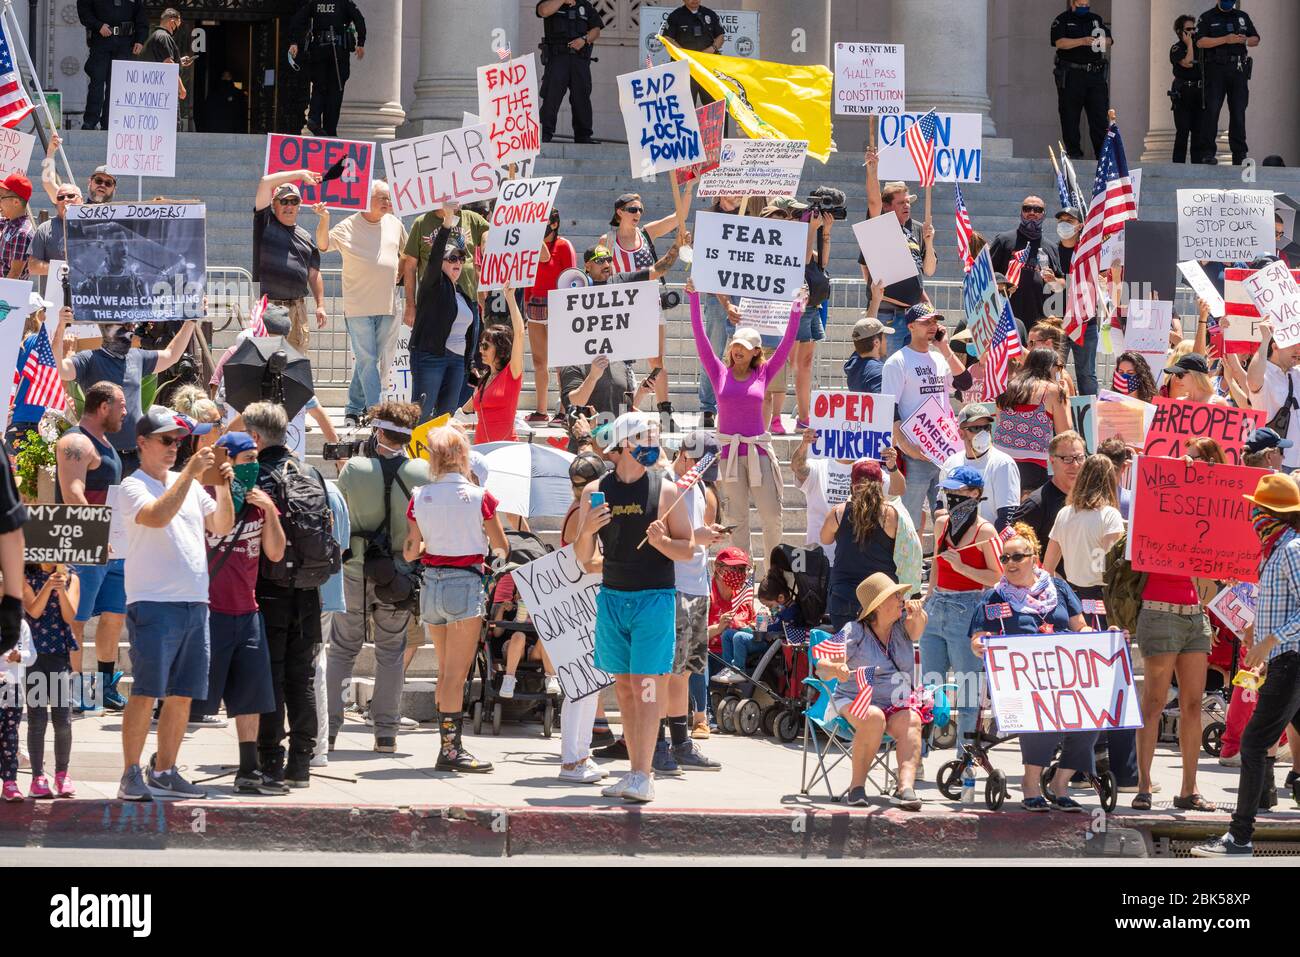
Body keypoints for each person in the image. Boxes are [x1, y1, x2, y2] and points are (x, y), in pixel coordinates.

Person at [114, 407, 234, 801]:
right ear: (143, 443)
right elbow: (157, 517)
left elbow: (221, 527)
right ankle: (130, 772)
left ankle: (164, 769)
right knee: (146, 691)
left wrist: (225, 486)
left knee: (183, 693)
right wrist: (190, 474)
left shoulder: (190, 486)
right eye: (166, 440)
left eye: (178, 441)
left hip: (194, 601)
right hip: (154, 601)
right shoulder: (134, 485)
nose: (174, 447)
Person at [574, 413, 695, 803]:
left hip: (653, 598)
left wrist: (661, 542)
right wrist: (588, 527)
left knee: (646, 687)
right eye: (646, 436)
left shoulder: (665, 490)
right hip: (613, 596)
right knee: (624, 688)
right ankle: (634, 772)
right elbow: (581, 556)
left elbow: (688, 549)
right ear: (626, 442)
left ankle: (645, 773)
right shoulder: (596, 489)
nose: (654, 444)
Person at [1194, 473, 1300, 856]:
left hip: (1291, 660)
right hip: (1285, 657)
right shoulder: (1277, 548)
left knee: (1254, 744)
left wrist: (1272, 638)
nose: (1252, 513)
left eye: (1257, 507)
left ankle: (1239, 837)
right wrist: (1260, 627)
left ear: (1270, 513)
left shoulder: (1290, 549)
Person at [971, 523, 1097, 811]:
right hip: (1019, 681)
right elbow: (977, 639)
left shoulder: (1059, 588)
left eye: (1017, 557)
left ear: (1033, 557)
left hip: (1065, 674)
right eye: (1005, 558)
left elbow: (1080, 627)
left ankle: (1060, 782)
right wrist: (981, 644)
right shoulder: (994, 597)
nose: (1010, 564)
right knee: (1042, 709)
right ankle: (1030, 783)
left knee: (1093, 716)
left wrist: (1098, 636)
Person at [405, 426, 506, 773]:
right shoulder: (480, 497)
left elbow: (410, 550)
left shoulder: (420, 495)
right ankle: (451, 750)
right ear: (463, 456)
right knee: (455, 674)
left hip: (431, 582)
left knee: (445, 670)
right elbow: (501, 547)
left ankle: (447, 744)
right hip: (465, 583)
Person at [330, 403, 429, 754]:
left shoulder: (355, 469)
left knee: (343, 648)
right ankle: (386, 733)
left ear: (379, 433)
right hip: (399, 571)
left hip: (357, 567)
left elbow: (337, 515)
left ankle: (329, 727)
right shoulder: (422, 471)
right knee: (391, 651)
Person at [244, 401, 334, 789]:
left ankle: (270, 760)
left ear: (256, 437)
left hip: (270, 589)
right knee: (302, 678)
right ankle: (301, 763)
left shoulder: (257, 476)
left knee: (272, 677)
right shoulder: (312, 472)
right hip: (309, 589)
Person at [195, 431, 287, 795]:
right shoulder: (204, 499)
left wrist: (269, 512)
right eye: (247, 458)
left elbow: (276, 553)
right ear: (227, 461)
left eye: (255, 458)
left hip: (247, 611)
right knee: (193, 700)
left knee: (251, 697)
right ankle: (164, 761)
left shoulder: (258, 503)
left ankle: (248, 767)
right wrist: (222, 489)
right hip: (209, 612)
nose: (254, 465)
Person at [688, 285, 803, 565]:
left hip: (758, 451)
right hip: (728, 454)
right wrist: (693, 297)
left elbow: (788, 342)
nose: (738, 350)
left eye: (745, 347)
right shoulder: (719, 372)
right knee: (736, 521)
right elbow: (701, 339)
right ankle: (742, 578)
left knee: (772, 517)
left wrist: (797, 309)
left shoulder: (764, 372)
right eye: (735, 345)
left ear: (755, 353)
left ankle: (775, 577)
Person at [817, 573, 927, 809]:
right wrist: (837, 668)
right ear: (878, 604)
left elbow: (918, 629)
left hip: (895, 703)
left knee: (912, 719)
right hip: (854, 700)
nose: (901, 598)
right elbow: (822, 666)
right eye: (895, 595)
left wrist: (917, 614)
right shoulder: (855, 631)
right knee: (874, 716)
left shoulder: (901, 628)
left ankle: (905, 788)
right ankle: (857, 787)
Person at [55, 381, 128, 713]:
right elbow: (73, 492)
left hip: (114, 546)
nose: (125, 412)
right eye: (121, 405)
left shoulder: (105, 442)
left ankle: (104, 687)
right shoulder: (75, 442)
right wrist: (96, 534)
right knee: (76, 619)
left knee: (114, 615)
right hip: (84, 545)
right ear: (103, 407)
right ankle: (70, 690)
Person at [55, 306, 196, 477]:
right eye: (124, 325)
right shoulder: (89, 359)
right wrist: (61, 326)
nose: (131, 329)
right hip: (101, 456)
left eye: (131, 325)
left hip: (135, 457)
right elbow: (61, 369)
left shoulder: (137, 357)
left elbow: (171, 355)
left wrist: (191, 320)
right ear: (106, 328)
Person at [919, 466, 1003, 753]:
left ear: (975, 494)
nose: (952, 496)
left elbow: (997, 577)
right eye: (950, 491)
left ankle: (965, 760)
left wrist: (963, 567)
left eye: (959, 491)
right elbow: (936, 567)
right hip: (937, 605)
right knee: (929, 689)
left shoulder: (985, 530)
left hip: (968, 608)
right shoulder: (942, 523)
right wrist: (927, 596)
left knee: (967, 691)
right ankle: (917, 756)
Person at [315, 181, 410, 427]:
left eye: (389, 199)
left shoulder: (395, 223)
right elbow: (323, 245)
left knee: (370, 360)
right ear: (366, 200)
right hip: (358, 307)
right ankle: (377, 413)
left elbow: (406, 253)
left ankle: (353, 407)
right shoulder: (348, 225)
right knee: (368, 361)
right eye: (383, 198)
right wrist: (324, 219)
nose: (389, 203)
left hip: (388, 305)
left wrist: (397, 272)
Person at [663, 431, 724, 771]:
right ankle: (666, 742)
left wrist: (707, 535)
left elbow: (693, 532)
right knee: (670, 671)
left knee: (685, 672)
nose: (703, 475)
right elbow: (659, 535)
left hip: (696, 586)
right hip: (675, 586)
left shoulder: (699, 487)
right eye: (701, 466)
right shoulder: (667, 485)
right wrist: (696, 537)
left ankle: (681, 742)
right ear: (685, 456)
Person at [882, 303, 971, 532]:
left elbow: (964, 383)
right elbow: (889, 407)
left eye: (934, 321)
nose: (932, 326)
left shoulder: (939, 358)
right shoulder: (898, 361)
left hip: (944, 450)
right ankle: (906, 565)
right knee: (909, 517)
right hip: (915, 452)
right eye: (926, 322)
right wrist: (905, 445)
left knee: (949, 516)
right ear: (911, 326)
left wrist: (944, 348)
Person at [600, 193, 685, 426]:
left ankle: (665, 411)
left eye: (640, 209)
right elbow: (598, 274)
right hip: (621, 307)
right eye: (632, 209)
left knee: (657, 361)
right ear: (620, 212)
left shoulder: (646, 233)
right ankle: (622, 408)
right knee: (619, 361)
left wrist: (687, 190)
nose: (637, 213)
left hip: (649, 304)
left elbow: (679, 216)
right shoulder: (607, 240)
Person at [822, 461, 915, 630]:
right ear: (880, 484)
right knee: (882, 653)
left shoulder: (838, 513)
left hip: (844, 596)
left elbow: (825, 539)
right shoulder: (892, 514)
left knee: (848, 654)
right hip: (883, 597)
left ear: (852, 485)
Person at [410, 207, 481, 421]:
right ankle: (415, 454)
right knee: (422, 416)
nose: (458, 262)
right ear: (440, 262)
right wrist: (447, 224)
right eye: (451, 258)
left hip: (457, 362)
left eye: (460, 258)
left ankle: (440, 455)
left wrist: (469, 363)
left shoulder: (462, 293)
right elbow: (434, 256)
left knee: (446, 418)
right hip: (431, 357)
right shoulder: (432, 284)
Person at [860, 168, 936, 354]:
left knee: (907, 371)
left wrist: (929, 241)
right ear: (886, 206)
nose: (907, 206)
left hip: (913, 314)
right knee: (888, 370)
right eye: (901, 202)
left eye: (908, 202)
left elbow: (927, 272)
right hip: (888, 314)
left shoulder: (914, 231)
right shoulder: (880, 226)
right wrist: (873, 169)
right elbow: (873, 201)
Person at [22, 563, 79, 799]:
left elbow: (70, 615)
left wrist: (61, 587)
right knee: (37, 719)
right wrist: (48, 585)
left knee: (63, 718)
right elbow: (33, 610)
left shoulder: (72, 577)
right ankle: (38, 777)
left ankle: (62, 774)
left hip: (58, 654)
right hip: (34, 654)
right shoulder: (25, 575)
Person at [253, 170, 327, 352]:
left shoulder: (306, 237)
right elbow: (265, 182)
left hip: (298, 309)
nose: (289, 206)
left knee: (296, 364)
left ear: (300, 206)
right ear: (273, 204)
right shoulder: (265, 223)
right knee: (269, 364)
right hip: (270, 307)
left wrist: (321, 305)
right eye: (284, 201)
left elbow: (314, 273)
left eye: (294, 201)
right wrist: (301, 174)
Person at [994, 347, 1072, 493]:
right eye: (1060, 367)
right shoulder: (1053, 391)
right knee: (1030, 513)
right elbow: (1065, 433)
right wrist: (1065, 397)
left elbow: (999, 421)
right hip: (1033, 463)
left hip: (999, 459)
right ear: (1051, 367)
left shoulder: (1007, 386)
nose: (1061, 371)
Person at [696, 196, 745, 429]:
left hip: (745, 291)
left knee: (745, 352)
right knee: (713, 351)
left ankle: (738, 402)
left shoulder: (751, 215)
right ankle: (707, 407)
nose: (734, 194)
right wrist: (726, 303)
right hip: (716, 296)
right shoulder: (708, 219)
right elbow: (706, 265)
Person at [525, 210, 575, 425]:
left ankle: (564, 410)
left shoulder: (564, 245)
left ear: (554, 223)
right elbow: (527, 275)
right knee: (539, 361)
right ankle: (541, 410)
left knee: (560, 362)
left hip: (558, 305)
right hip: (536, 305)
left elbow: (572, 275)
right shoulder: (530, 246)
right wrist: (526, 300)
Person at [1194, 0, 1259, 167]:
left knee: (1238, 111)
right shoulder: (1207, 17)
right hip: (1216, 69)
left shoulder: (1242, 17)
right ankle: (1208, 153)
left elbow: (1256, 39)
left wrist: (1243, 40)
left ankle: (1240, 154)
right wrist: (1225, 39)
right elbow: (1200, 42)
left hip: (1238, 69)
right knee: (1212, 110)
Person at [287, 0, 366, 138]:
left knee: (319, 86)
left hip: (318, 50)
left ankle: (314, 118)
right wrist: (360, 42)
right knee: (335, 90)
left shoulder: (315, 3)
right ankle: (329, 130)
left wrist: (294, 42)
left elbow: (297, 20)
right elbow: (359, 19)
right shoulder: (344, 3)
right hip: (338, 52)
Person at [941, 402, 1020, 530]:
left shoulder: (1003, 463)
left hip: (987, 543)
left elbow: (1007, 516)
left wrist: (985, 545)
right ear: (961, 433)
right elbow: (940, 506)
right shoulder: (950, 464)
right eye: (976, 428)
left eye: (986, 427)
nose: (983, 433)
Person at [1051, 0, 1112, 160]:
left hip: (1095, 75)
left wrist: (1103, 41)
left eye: (1086, 3)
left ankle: (1103, 156)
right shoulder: (1062, 19)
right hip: (1072, 74)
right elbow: (1059, 42)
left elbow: (1110, 40)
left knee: (1099, 116)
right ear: (1073, 3)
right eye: (1080, 3)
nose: (1084, 6)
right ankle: (1074, 154)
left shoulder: (1096, 19)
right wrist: (1082, 41)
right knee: (1070, 116)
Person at [536, 0, 603, 144]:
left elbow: (596, 30)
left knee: (582, 97)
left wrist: (584, 39)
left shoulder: (585, 5)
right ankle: (545, 134)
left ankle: (583, 135)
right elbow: (543, 11)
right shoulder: (552, 2)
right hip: (558, 57)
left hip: (580, 59)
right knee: (551, 96)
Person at [404, 202, 490, 313]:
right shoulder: (421, 223)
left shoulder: (471, 218)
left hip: (467, 300)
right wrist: (410, 306)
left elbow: (489, 231)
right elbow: (410, 267)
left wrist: (486, 240)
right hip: (433, 303)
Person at [990, 197, 1062, 329]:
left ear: (1044, 215)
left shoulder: (1052, 247)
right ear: (1021, 212)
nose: (1032, 212)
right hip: (1006, 318)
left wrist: (1053, 281)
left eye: (1038, 210)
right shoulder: (1003, 240)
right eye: (1027, 208)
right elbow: (988, 275)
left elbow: (1059, 287)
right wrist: (1002, 285)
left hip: (1039, 323)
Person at [468, 282, 526, 443]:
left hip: (505, 451)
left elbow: (520, 333)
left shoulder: (511, 373)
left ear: (500, 349)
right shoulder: (484, 378)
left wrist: (510, 298)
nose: (481, 350)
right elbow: (467, 409)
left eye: (485, 346)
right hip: (481, 450)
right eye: (480, 345)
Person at [78, 0, 147, 130]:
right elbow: (84, 11)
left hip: (124, 44)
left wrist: (140, 39)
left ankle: (109, 122)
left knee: (117, 86)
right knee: (97, 83)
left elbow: (141, 18)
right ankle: (90, 121)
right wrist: (98, 25)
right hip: (101, 41)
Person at [1012, 430, 1086, 552]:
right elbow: (1013, 551)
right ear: (1052, 461)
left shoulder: (1089, 498)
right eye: (1067, 459)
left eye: (1080, 458)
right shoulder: (1036, 505)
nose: (1075, 465)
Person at [707, 547, 759, 685]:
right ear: (718, 568)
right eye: (734, 568)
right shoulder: (705, 596)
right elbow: (692, 638)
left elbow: (753, 628)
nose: (739, 574)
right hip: (712, 656)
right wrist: (718, 628)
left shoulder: (743, 598)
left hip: (741, 658)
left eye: (742, 569)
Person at [660, 0, 726, 105]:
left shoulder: (709, 14)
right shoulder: (676, 16)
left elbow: (720, 36)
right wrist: (683, 54)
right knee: (684, 105)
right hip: (685, 67)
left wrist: (711, 49)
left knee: (715, 104)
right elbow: (667, 38)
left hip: (707, 67)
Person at [0, 619, 34, 801]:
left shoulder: (20, 625)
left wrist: (19, 656)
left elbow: (32, 655)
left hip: (13, 692)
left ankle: (10, 782)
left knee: (10, 739)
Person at [29, 181, 82, 293]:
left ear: (81, 200)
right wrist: (65, 268)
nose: (65, 199)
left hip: (87, 297)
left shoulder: (93, 226)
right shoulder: (44, 229)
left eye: (71, 196)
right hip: (53, 300)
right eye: (60, 197)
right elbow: (32, 266)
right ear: (57, 203)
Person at [1169, 14, 1204, 163]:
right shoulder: (1177, 48)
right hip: (1183, 92)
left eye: (1194, 28)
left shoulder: (1201, 47)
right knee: (1182, 131)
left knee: (1198, 131)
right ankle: (1178, 165)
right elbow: (1188, 62)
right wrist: (1189, 44)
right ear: (1180, 31)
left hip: (1198, 92)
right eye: (1188, 29)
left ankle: (1197, 165)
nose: (1192, 32)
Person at [141, 8, 191, 105]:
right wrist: (181, 88)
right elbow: (169, 64)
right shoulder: (164, 37)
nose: (177, 29)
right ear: (172, 22)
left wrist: (179, 62)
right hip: (164, 92)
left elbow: (160, 61)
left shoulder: (155, 35)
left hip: (155, 92)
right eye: (177, 25)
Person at [844, 307, 890, 395]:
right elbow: (881, 403)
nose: (886, 341)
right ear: (876, 343)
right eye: (884, 337)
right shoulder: (879, 371)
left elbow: (862, 338)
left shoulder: (852, 365)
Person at [0, 173, 35, 281]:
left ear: (16, 202)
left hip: (8, 294)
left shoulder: (22, 233)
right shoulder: (9, 223)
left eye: (1, 197)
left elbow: (14, 274)